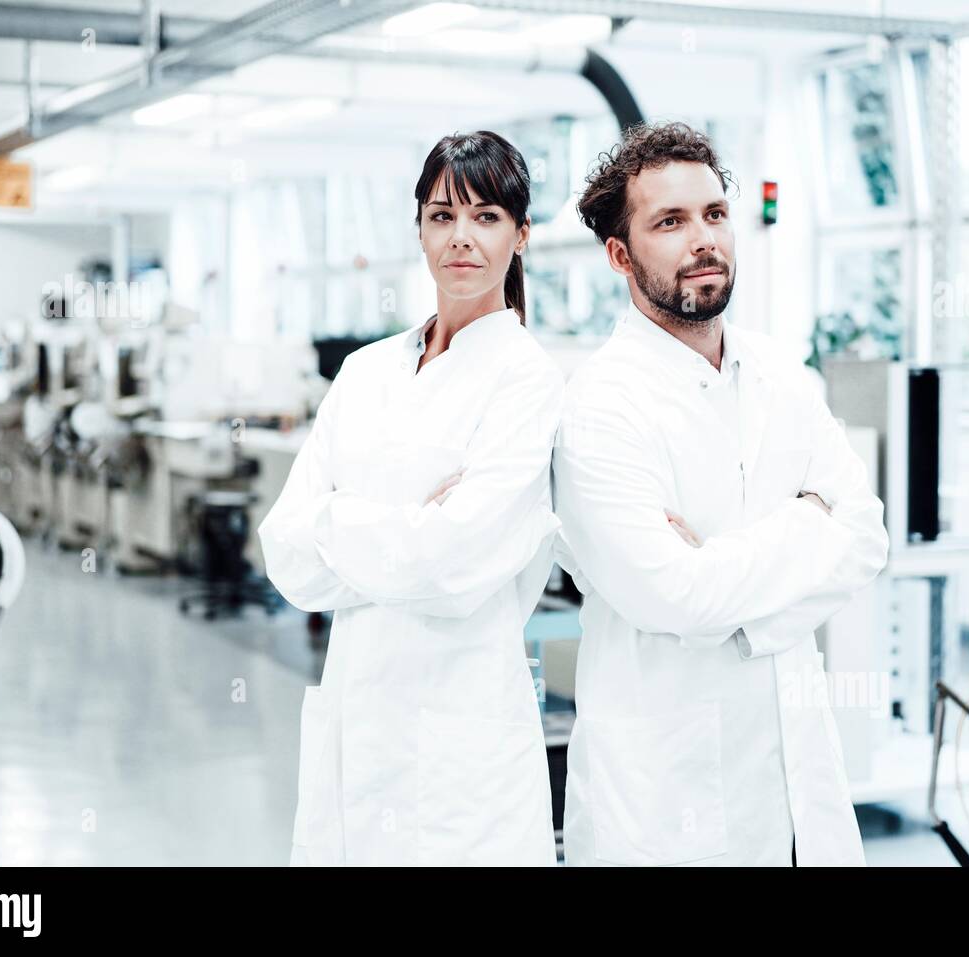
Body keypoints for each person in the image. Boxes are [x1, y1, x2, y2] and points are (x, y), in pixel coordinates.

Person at [552, 121, 889, 867]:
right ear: (620, 254)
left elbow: (866, 536)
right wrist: (807, 523)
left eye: (713, 213)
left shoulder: (779, 372)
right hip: (666, 805)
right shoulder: (600, 407)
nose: (702, 238)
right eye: (669, 222)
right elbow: (677, 596)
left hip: (799, 786)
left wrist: (728, 587)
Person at [258, 131, 563, 866]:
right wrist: (405, 525)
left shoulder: (526, 379)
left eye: (486, 216)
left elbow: (449, 565)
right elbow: (285, 553)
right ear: (420, 229)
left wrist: (341, 518)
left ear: (521, 235)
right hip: (355, 727)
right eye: (441, 215)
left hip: (463, 753)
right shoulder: (365, 372)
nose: (462, 237)